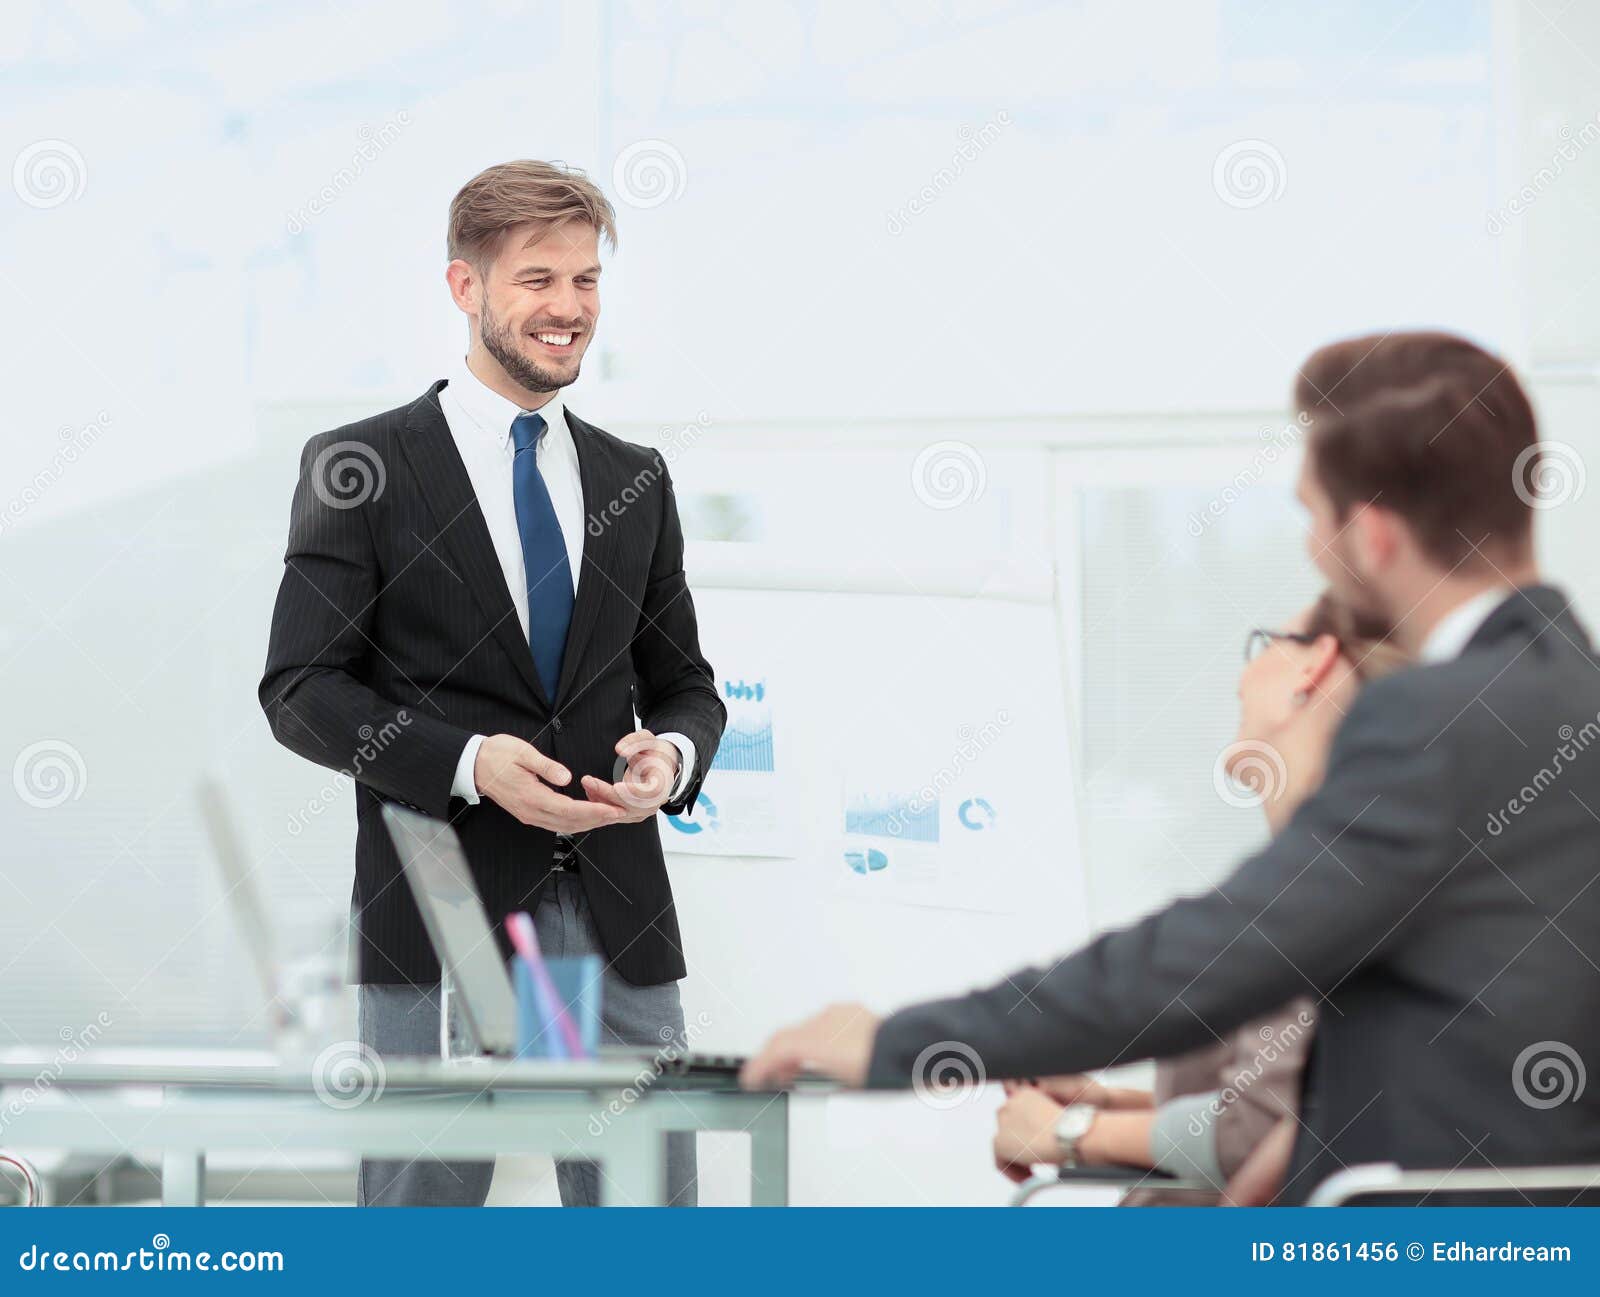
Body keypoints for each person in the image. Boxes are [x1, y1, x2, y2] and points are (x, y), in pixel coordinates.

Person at [744, 330, 1600, 1203]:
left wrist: (904, 1042)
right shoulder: (1570, 692)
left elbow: (1217, 954)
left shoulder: (1436, 718)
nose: (1309, 547)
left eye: (1313, 514)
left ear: (1374, 534)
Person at [260, 160, 725, 1207]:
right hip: (446, 898)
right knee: (426, 1225)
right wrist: (470, 764)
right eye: (536, 280)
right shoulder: (363, 466)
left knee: (642, 1214)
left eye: (586, 280)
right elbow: (301, 690)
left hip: (604, 905)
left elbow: (685, 685)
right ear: (465, 289)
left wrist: (672, 754)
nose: (568, 308)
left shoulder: (632, 478)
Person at [992, 591, 1407, 1203]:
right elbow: (1301, 1107)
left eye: (1264, 645)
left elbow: (1257, 1134)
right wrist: (1114, 1103)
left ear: (1310, 669)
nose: (1244, 673)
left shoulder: (1325, 887)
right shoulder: (1339, 868)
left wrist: (1069, 1132)